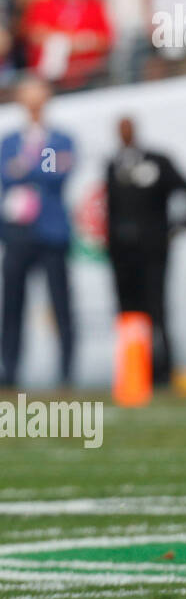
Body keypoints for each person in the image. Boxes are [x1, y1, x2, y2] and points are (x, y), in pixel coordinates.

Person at [105, 117, 186, 386]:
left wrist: (181, 225)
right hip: (122, 254)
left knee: (157, 309)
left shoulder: (158, 160)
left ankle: (164, 371)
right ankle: (135, 372)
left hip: (153, 250)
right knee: (128, 312)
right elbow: (111, 209)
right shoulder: (112, 165)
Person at [0, 76, 76, 386]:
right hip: (18, 233)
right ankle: (10, 370)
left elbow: (58, 175)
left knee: (61, 304)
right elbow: (8, 177)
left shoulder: (61, 138)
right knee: (12, 305)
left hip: (52, 232)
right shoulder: (9, 141)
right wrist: (42, 166)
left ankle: (66, 371)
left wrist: (25, 167)